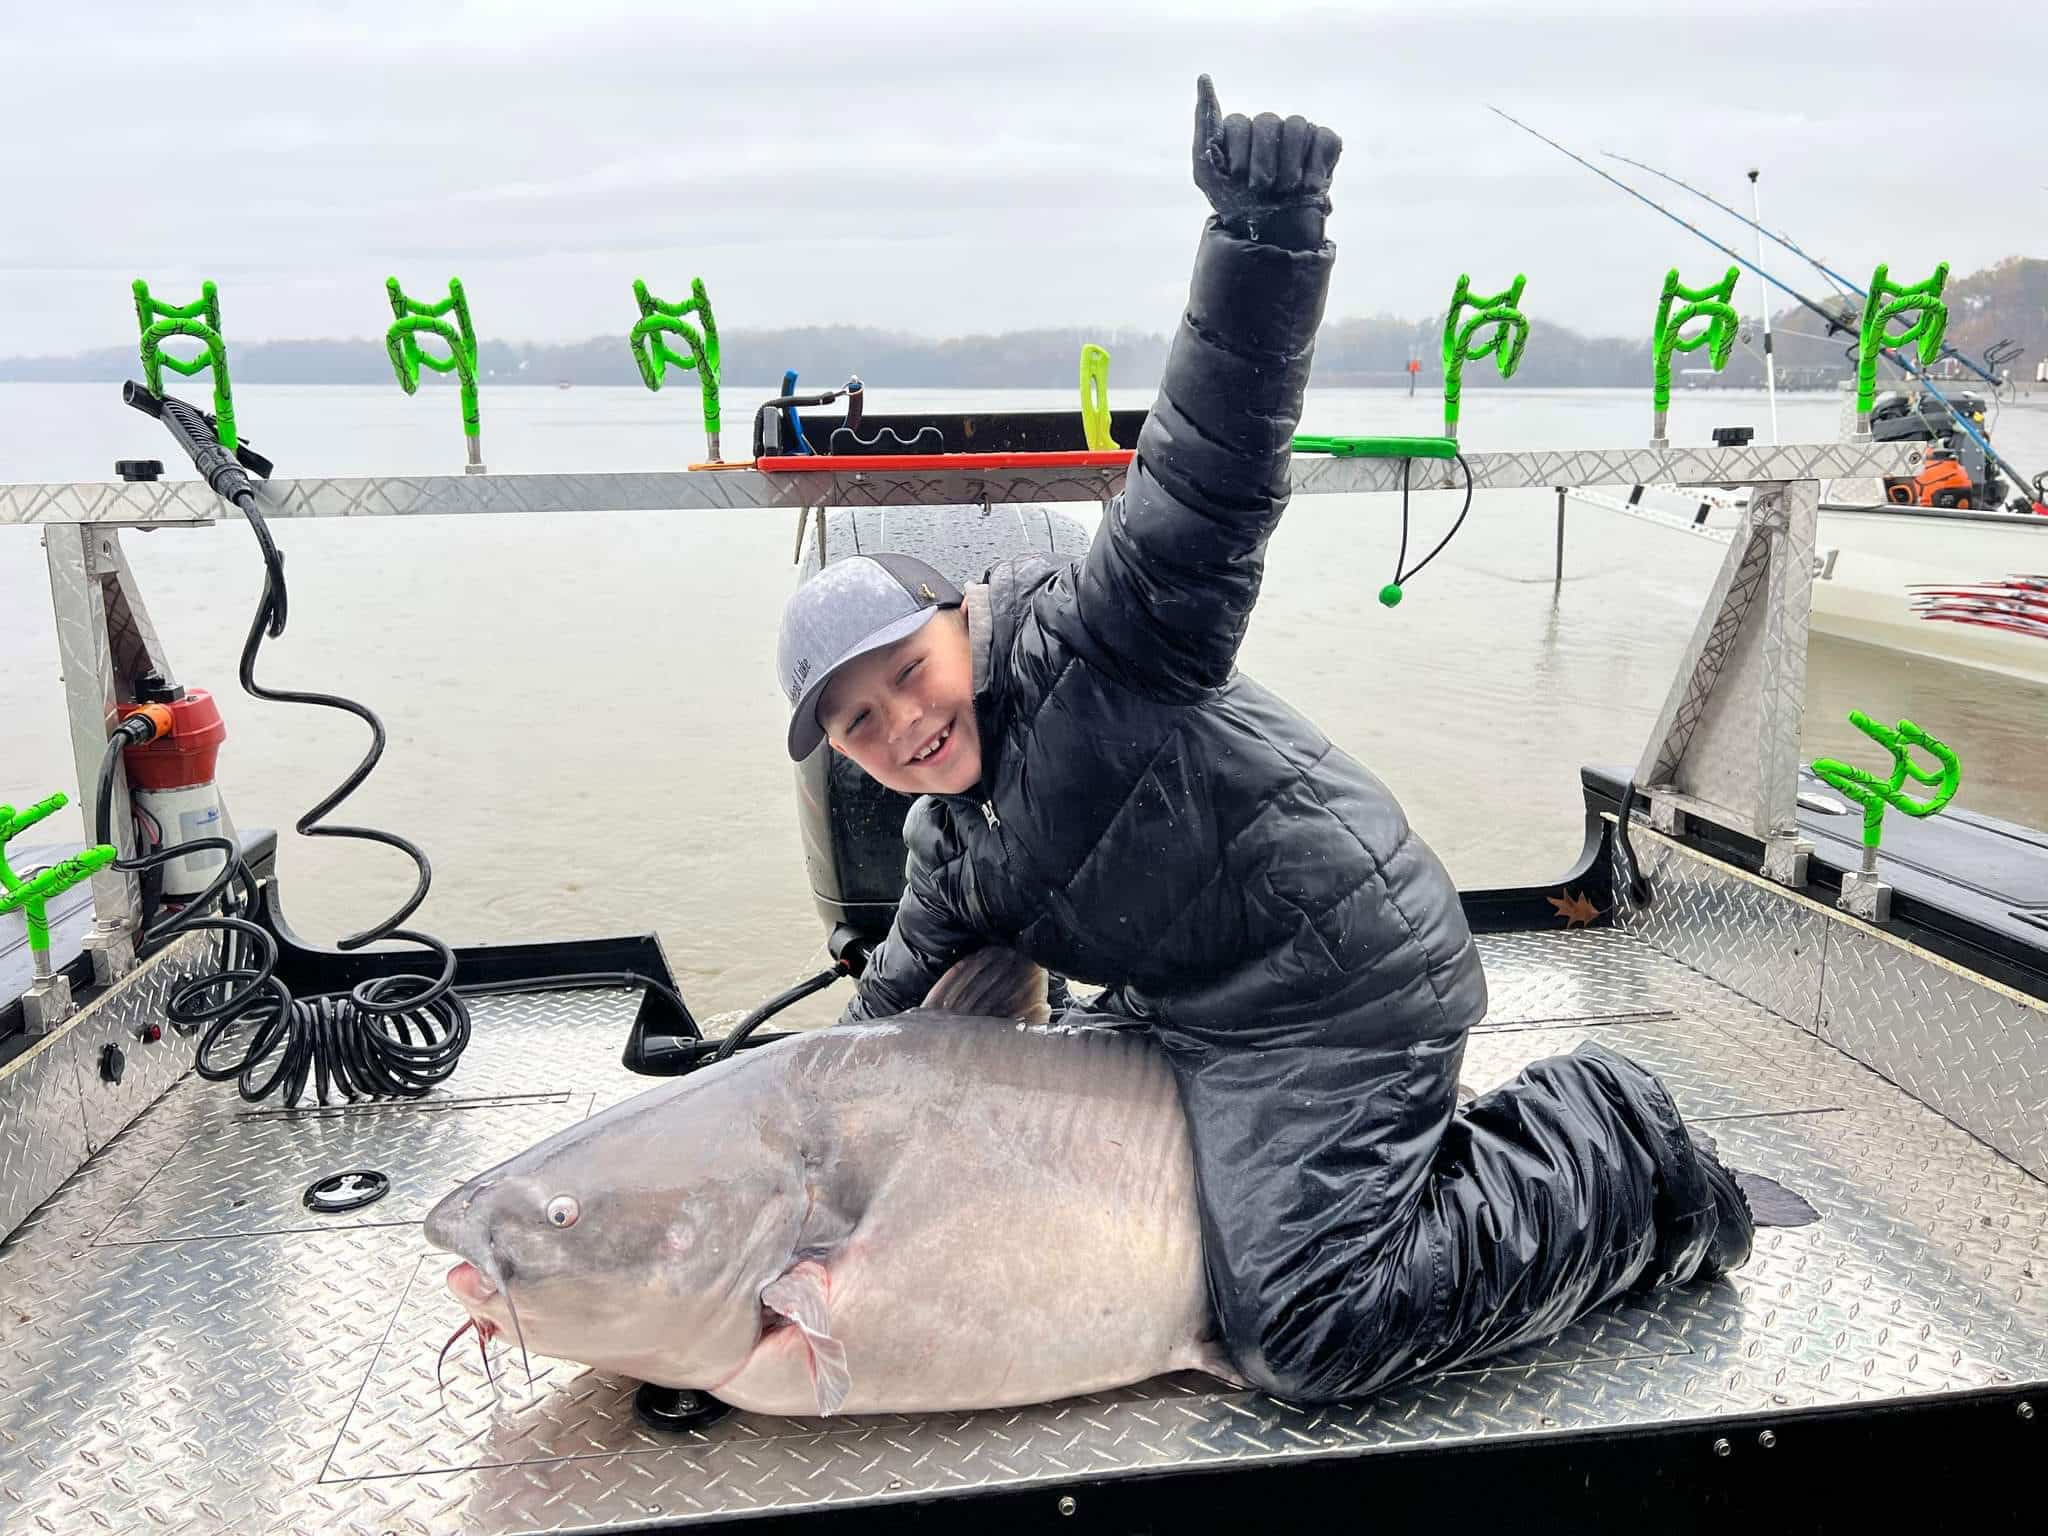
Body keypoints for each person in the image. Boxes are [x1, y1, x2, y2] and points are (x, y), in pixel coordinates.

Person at [773, 76, 1752, 1404]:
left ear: (960, 620)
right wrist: (745, 1124)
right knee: (1031, 1165)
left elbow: (1206, 467)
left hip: (1340, 992)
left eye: (907, 673)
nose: (902, 723)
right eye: (859, 723)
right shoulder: (952, 848)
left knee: (1305, 1327)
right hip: (1193, 1007)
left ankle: (1615, 1145)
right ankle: (1397, 1169)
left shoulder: (1104, 643)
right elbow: (889, 1014)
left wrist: (1264, 232)